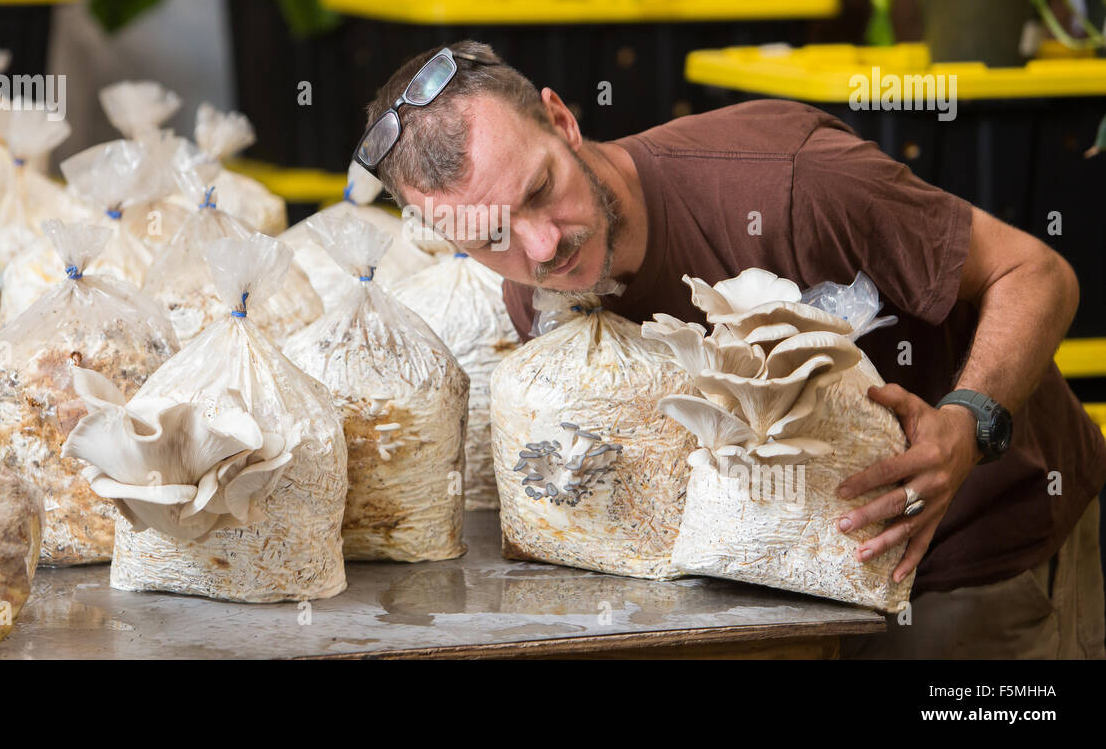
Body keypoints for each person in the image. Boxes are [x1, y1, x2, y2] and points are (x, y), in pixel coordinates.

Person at [356, 40, 1106, 659]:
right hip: (795, 593)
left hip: (979, 561)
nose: (542, 246)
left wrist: (968, 422)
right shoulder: (543, 296)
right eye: (489, 236)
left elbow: (1037, 273)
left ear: (561, 119)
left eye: (541, 189)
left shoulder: (794, 182)